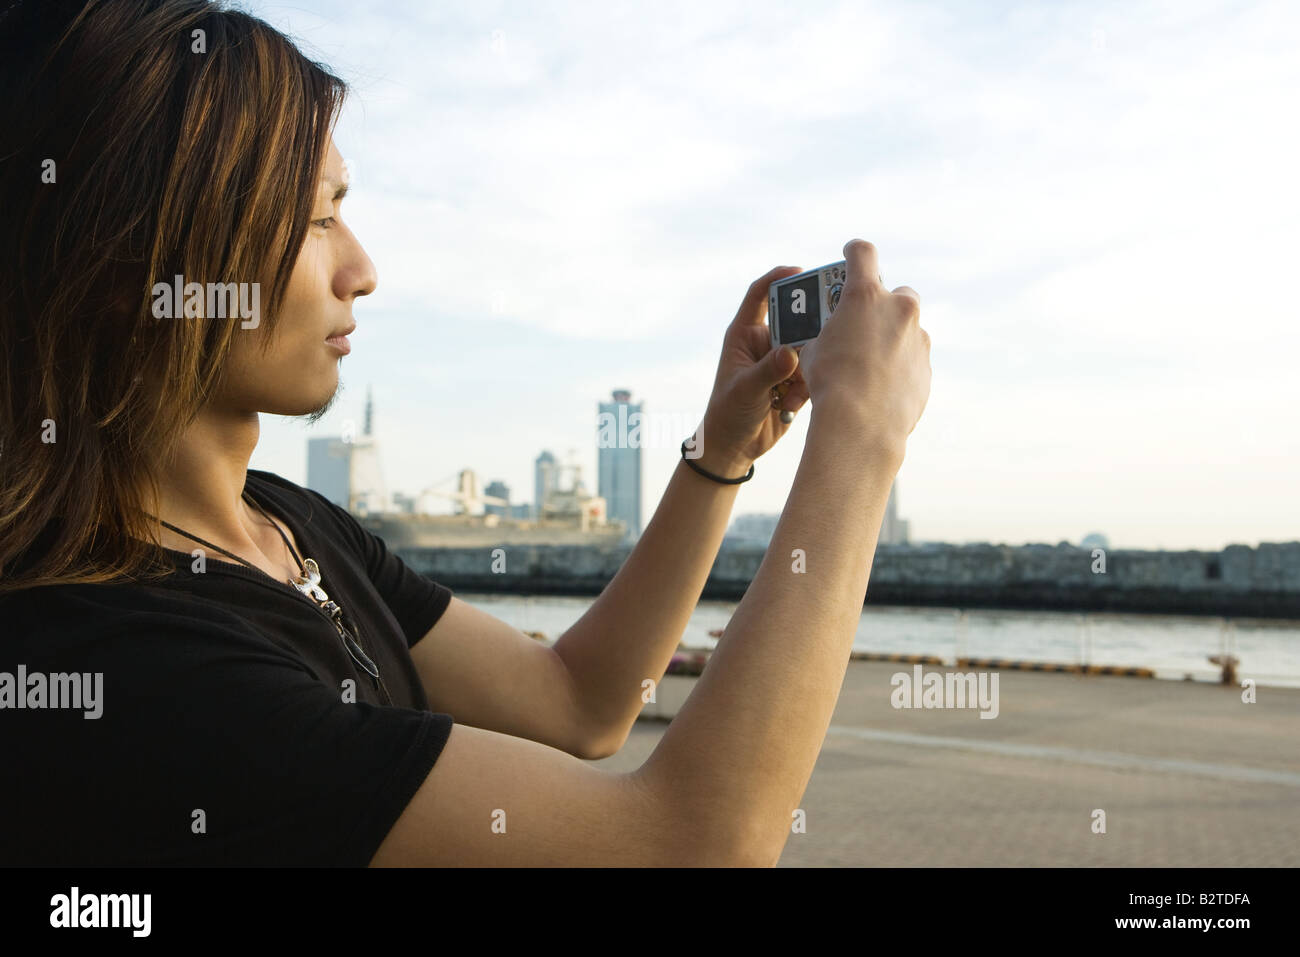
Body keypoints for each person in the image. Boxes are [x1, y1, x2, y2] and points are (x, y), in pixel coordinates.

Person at [0, 0, 930, 866]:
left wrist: (721, 454)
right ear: (135, 273)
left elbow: (581, 700)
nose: (362, 268)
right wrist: (858, 442)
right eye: (317, 218)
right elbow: (686, 843)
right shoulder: (127, 660)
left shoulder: (291, 529)